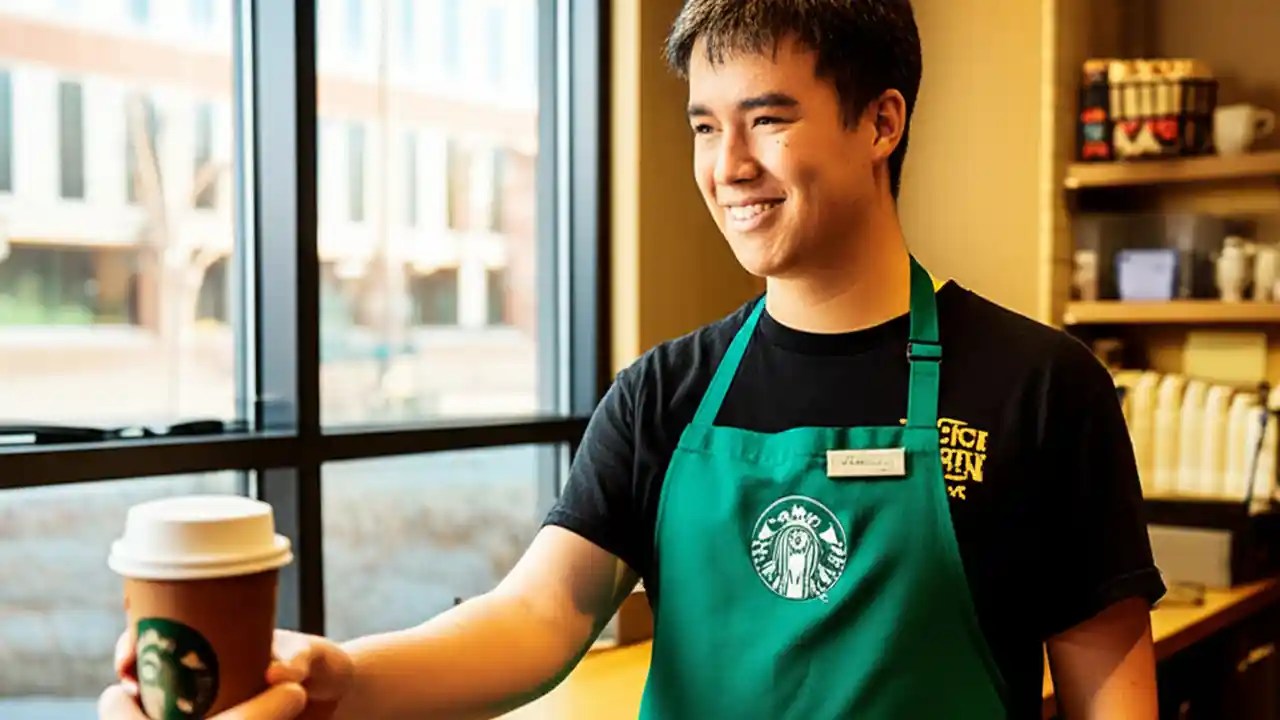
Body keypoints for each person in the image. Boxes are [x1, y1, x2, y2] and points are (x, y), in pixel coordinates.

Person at [102, 0, 1166, 717]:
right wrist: (334, 675)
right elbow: (539, 617)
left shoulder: (1037, 386)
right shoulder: (665, 393)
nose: (726, 166)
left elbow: (1106, 682)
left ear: (879, 120)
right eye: (704, 126)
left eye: (767, 119)